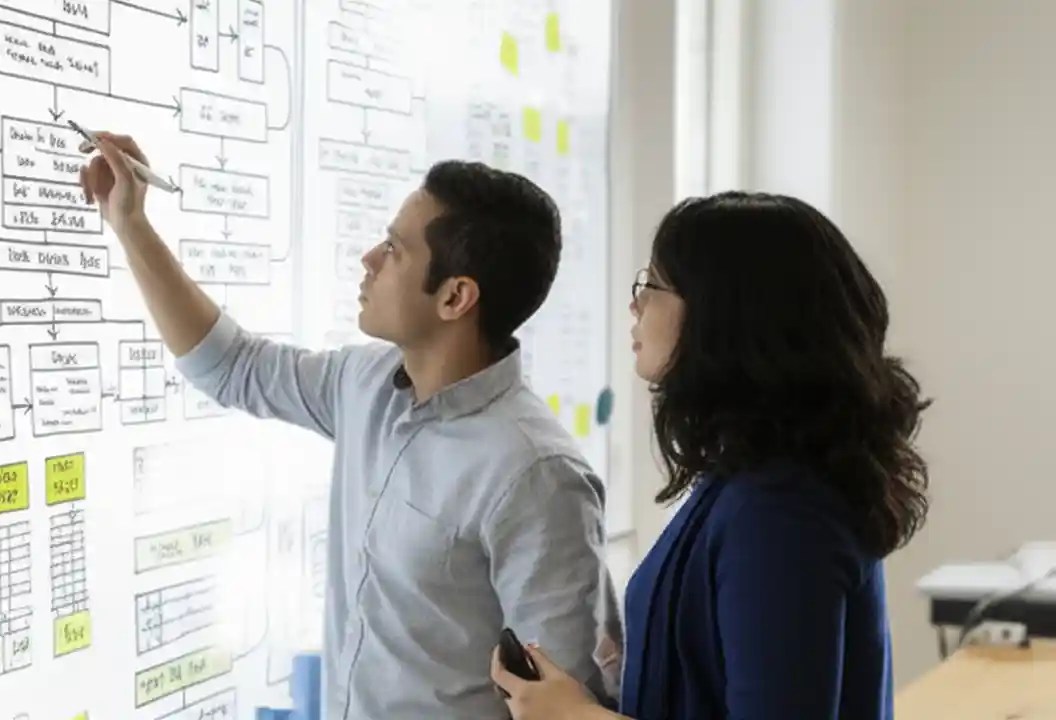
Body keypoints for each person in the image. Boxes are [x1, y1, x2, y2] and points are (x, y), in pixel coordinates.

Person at [77, 132, 623, 718]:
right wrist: (130, 224)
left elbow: (563, 702)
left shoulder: (535, 474)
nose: (368, 259)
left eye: (393, 249)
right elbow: (230, 366)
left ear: (455, 297)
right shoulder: (365, 386)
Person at [491, 191, 932, 720]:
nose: (635, 305)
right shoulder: (752, 478)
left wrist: (576, 715)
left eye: (651, 285)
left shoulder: (780, 510)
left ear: (722, 315)